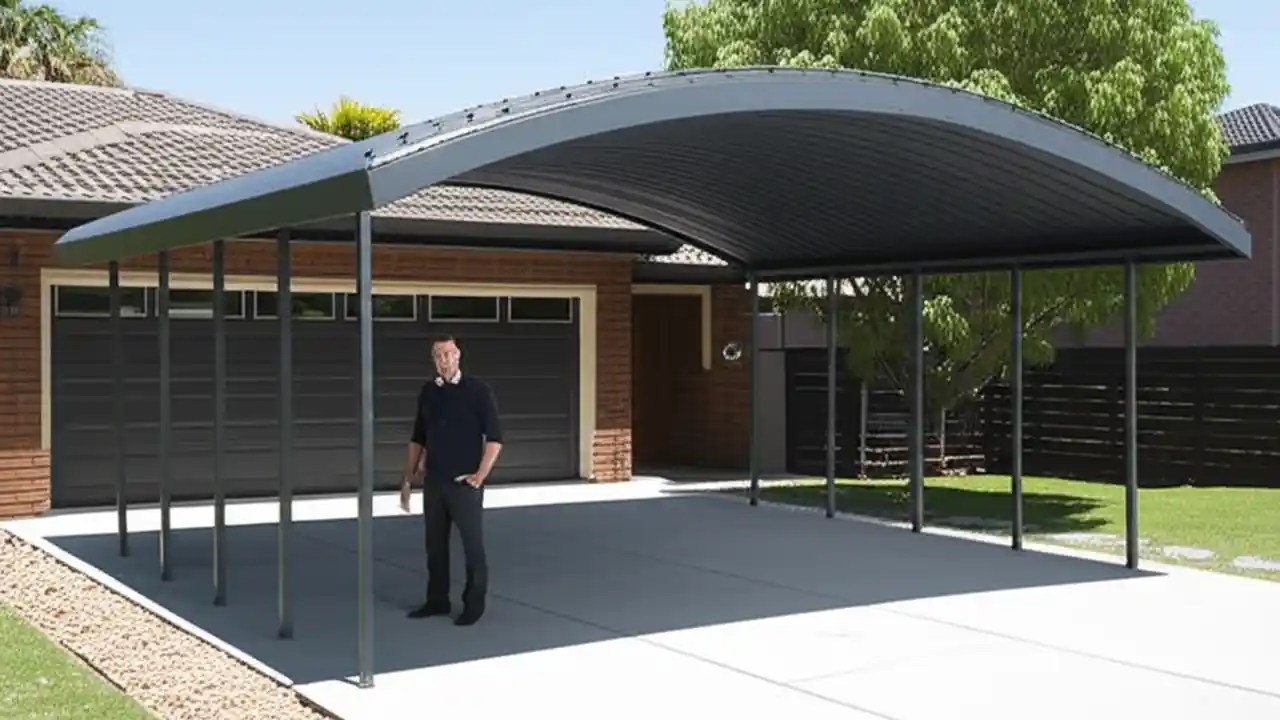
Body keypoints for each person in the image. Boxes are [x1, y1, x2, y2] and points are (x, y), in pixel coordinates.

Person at [401, 334, 503, 626]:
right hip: (434, 483)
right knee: (435, 547)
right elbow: (417, 438)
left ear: (458, 356)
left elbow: (495, 438)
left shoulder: (478, 391)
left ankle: (473, 605)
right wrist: (408, 479)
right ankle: (437, 601)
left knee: (473, 547)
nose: (443, 360)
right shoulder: (428, 393)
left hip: (464, 485)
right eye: (437, 355)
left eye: (447, 354)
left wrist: (480, 475)